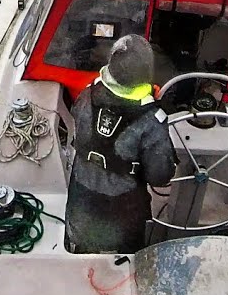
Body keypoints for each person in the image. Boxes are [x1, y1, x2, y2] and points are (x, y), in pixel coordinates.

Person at [66, 34, 176, 254]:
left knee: (83, 252)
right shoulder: (153, 121)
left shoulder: (86, 96)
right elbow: (160, 177)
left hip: (82, 203)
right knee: (128, 257)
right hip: (124, 213)